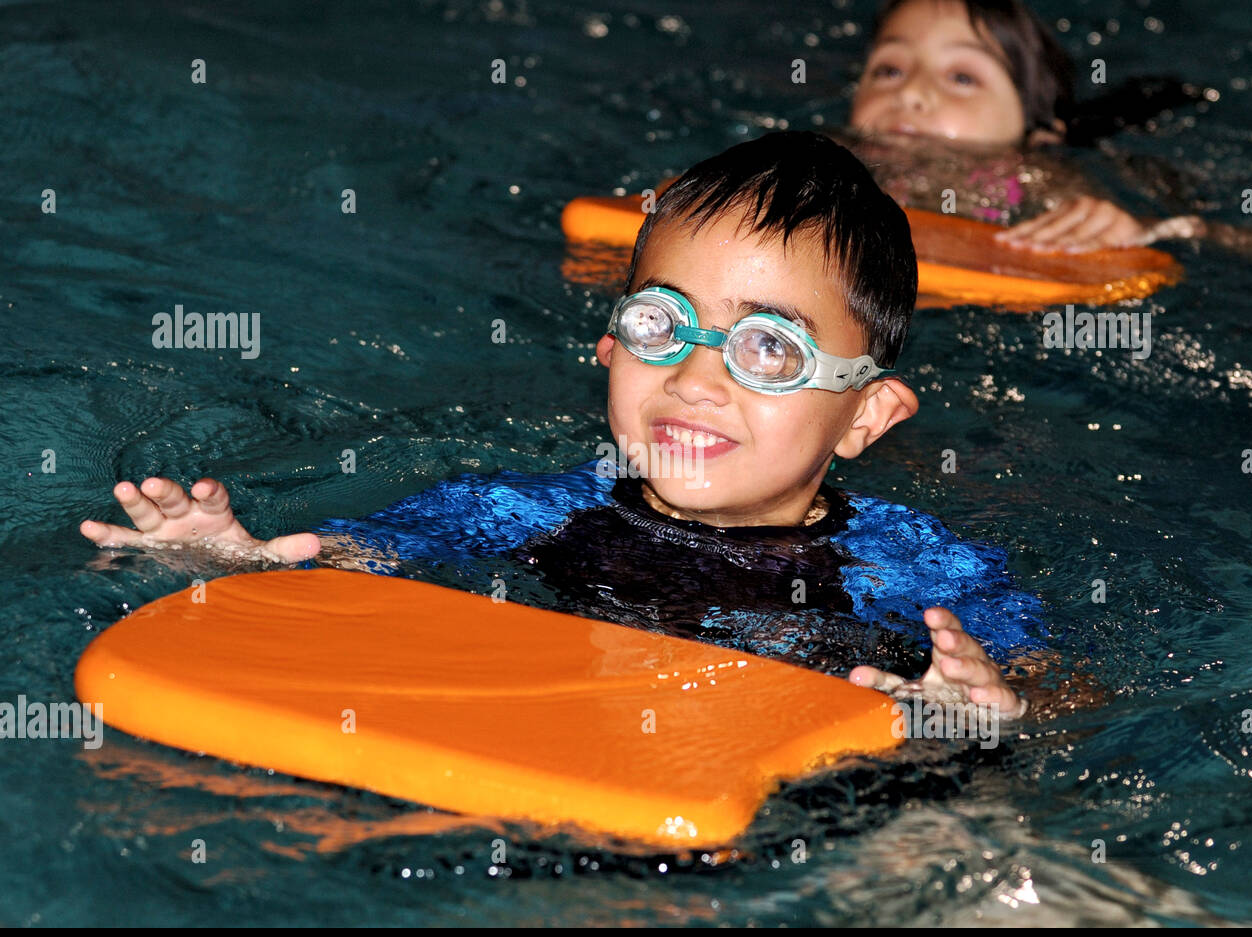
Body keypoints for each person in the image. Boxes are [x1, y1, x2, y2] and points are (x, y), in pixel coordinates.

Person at [81, 132, 1046, 718]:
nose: (698, 376)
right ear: (609, 351)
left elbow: (1049, 688)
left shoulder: (916, 569)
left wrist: (980, 711)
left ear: (865, 416)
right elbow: (357, 560)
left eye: (768, 351)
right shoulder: (527, 506)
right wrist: (233, 559)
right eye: (662, 326)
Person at [844, 0, 1213, 252]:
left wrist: (1144, 232)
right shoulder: (837, 158)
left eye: (962, 77)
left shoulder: (1036, 178)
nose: (910, 92)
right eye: (888, 70)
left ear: (1038, 134)